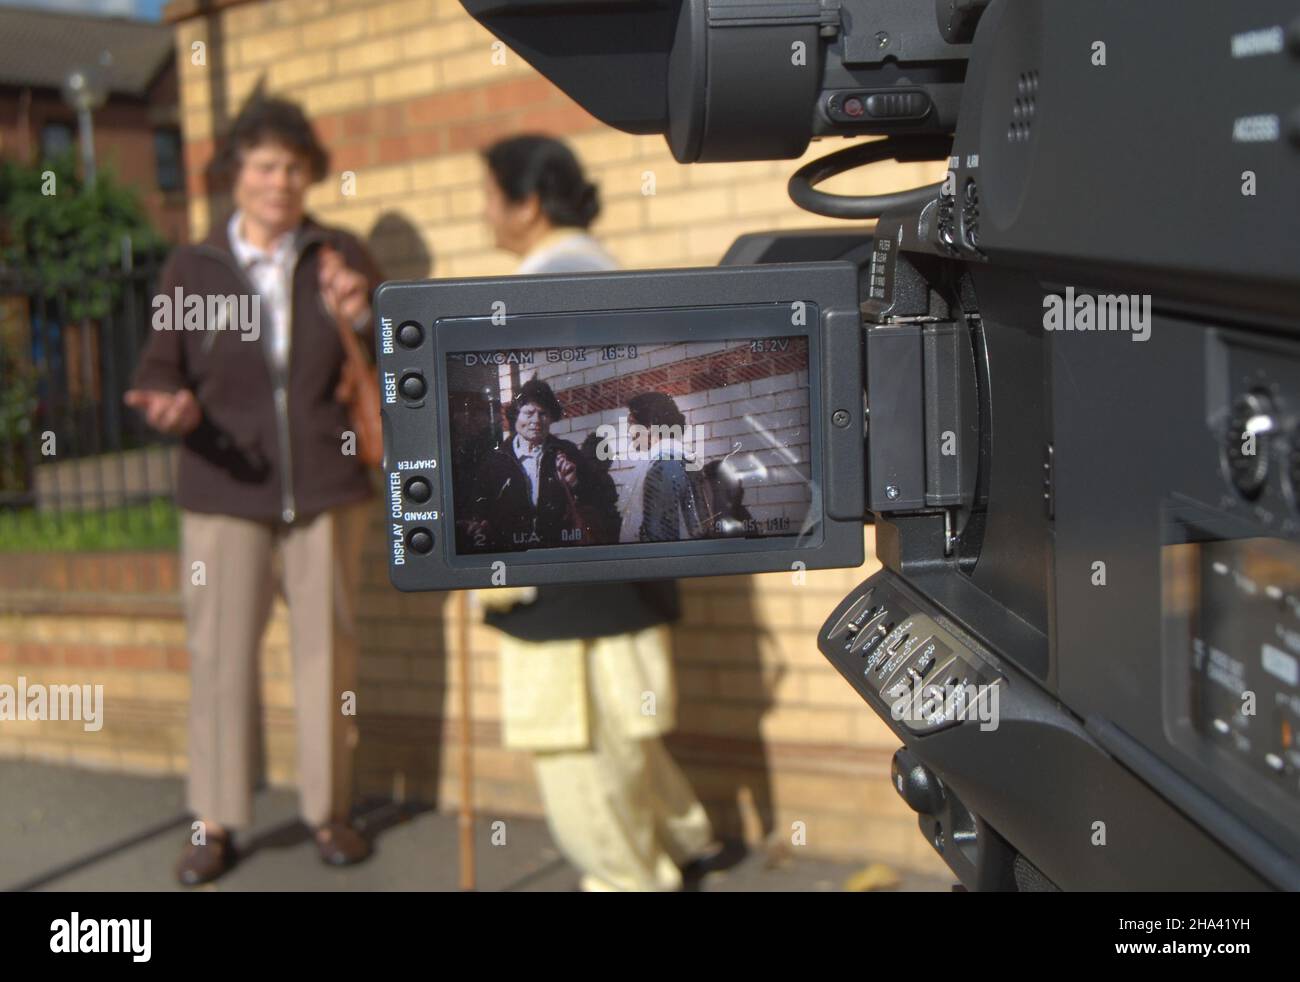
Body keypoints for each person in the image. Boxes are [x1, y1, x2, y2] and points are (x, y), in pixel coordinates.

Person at [125, 96, 383, 885]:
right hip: (222, 491)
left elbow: (386, 359)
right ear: (237, 172)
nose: (282, 181)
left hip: (328, 488)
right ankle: (214, 821)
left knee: (327, 658)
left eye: (296, 168)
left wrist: (363, 314)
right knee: (219, 660)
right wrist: (172, 406)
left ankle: (329, 812)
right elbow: (160, 368)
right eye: (267, 165)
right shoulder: (194, 267)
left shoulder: (339, 254)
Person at [475, 134, 725, 891]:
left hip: (561, 591)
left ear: (525, 203)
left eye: (489, 194)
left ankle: (632, 881)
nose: (483, 211)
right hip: (622, 574)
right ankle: (686, 841)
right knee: (622, 735)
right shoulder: (604, 271)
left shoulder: (536, 292)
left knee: (580, 761)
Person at [464, 378, 606, 551]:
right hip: (511, 556)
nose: (536, 420)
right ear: (516, 415)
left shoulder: (568, 453)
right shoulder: (495, 461)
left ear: (551, 418)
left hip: (560, 554)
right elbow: (478, 511)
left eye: (543, 414)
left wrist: (574, 482)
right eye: (529, 413)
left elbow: (597, 500)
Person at [619, 391, 704, 543]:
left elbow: (660, 538)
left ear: (651, 425)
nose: (629, 432)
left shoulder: (665, 464)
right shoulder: (673, 459)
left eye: (631, 423)